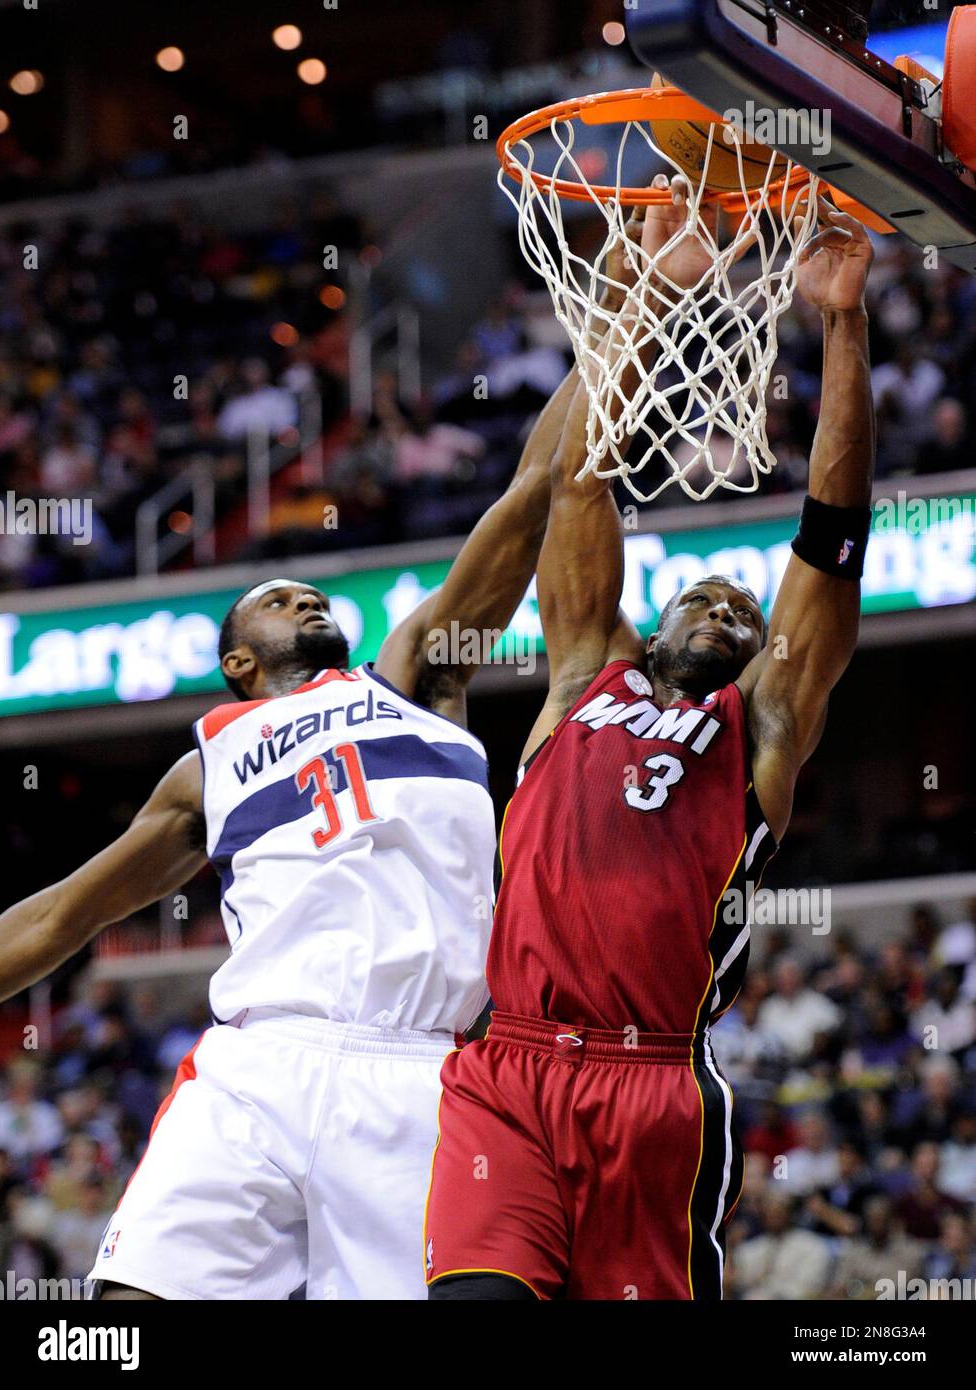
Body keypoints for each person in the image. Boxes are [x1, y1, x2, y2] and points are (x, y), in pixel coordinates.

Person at [0, 355, 589, 1301]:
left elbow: (528, 499)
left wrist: (611, 340)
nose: (301, 597)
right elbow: (63, 916)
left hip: (420, 1068)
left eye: (309, 594)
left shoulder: (418, 682)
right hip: (260, 1062)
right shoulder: (207, 766)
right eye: (273, 598)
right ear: (237, 658)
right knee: (124, 1316)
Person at [424, 192, 878, 1300]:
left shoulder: (759, 727)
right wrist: (641, 294)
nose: (724, 609)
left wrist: (842, 324)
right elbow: (579, 480)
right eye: (704, 596)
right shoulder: (582, 673)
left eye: (743, 611)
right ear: (657, 616)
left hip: (651, 1084)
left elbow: (832, 537)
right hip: (508, 1067)